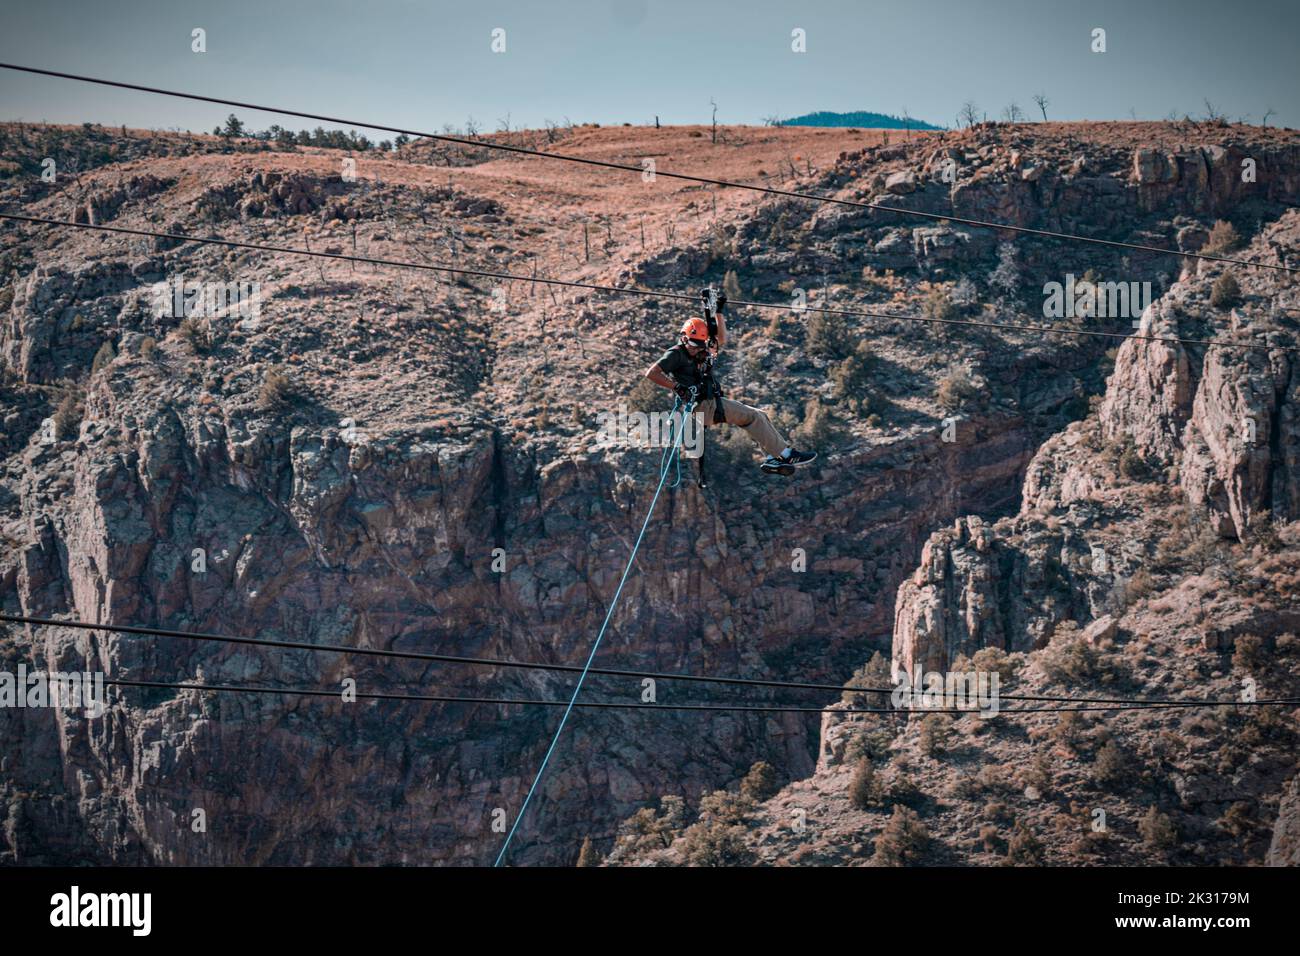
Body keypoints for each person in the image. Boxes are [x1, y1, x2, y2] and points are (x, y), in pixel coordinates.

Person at [643, 289, 816, 474]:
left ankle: (774, 458)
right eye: (693, 345)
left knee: (759, 415)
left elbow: (721, 339)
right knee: (754, 417)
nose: (696, 349)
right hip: (703, 406)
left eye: (699, 346)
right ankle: (786, 454)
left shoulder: (700, 350)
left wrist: (718, 312)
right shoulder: (675, 354)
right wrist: (676, 386)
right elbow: (651, 373)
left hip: (709, 402)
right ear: (684, 338)